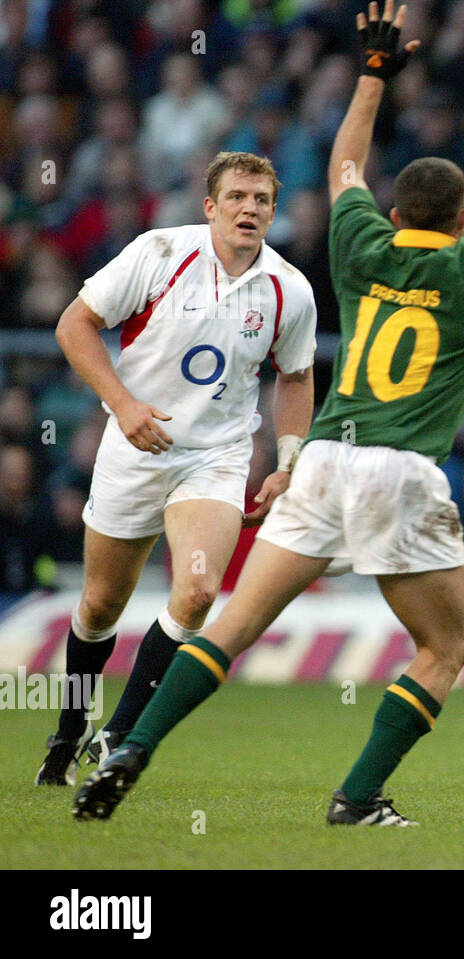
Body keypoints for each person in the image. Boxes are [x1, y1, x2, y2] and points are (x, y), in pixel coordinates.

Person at [74, 2, 464, 826]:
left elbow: (344, 167)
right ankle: (357, 797)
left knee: (232, 625)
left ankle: (134, 743)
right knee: (446, 648)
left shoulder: (360, 244)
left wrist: (373, 73)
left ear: (397, 216)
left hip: (321, 460)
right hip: (401, 472)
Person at [36, 149, 317, 786]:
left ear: (273, 212)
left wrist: (290, 459)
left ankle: (119, 736)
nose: (250, 209)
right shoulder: (160, 253)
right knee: (101, 604)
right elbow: (75, 324)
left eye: (262, 200)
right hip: (134, 446)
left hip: (215, 459)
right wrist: (124, 404)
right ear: (211, 207)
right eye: (238, 198)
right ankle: (70, 726)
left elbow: (296, 376)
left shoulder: (289, 290)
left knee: (194, 593)